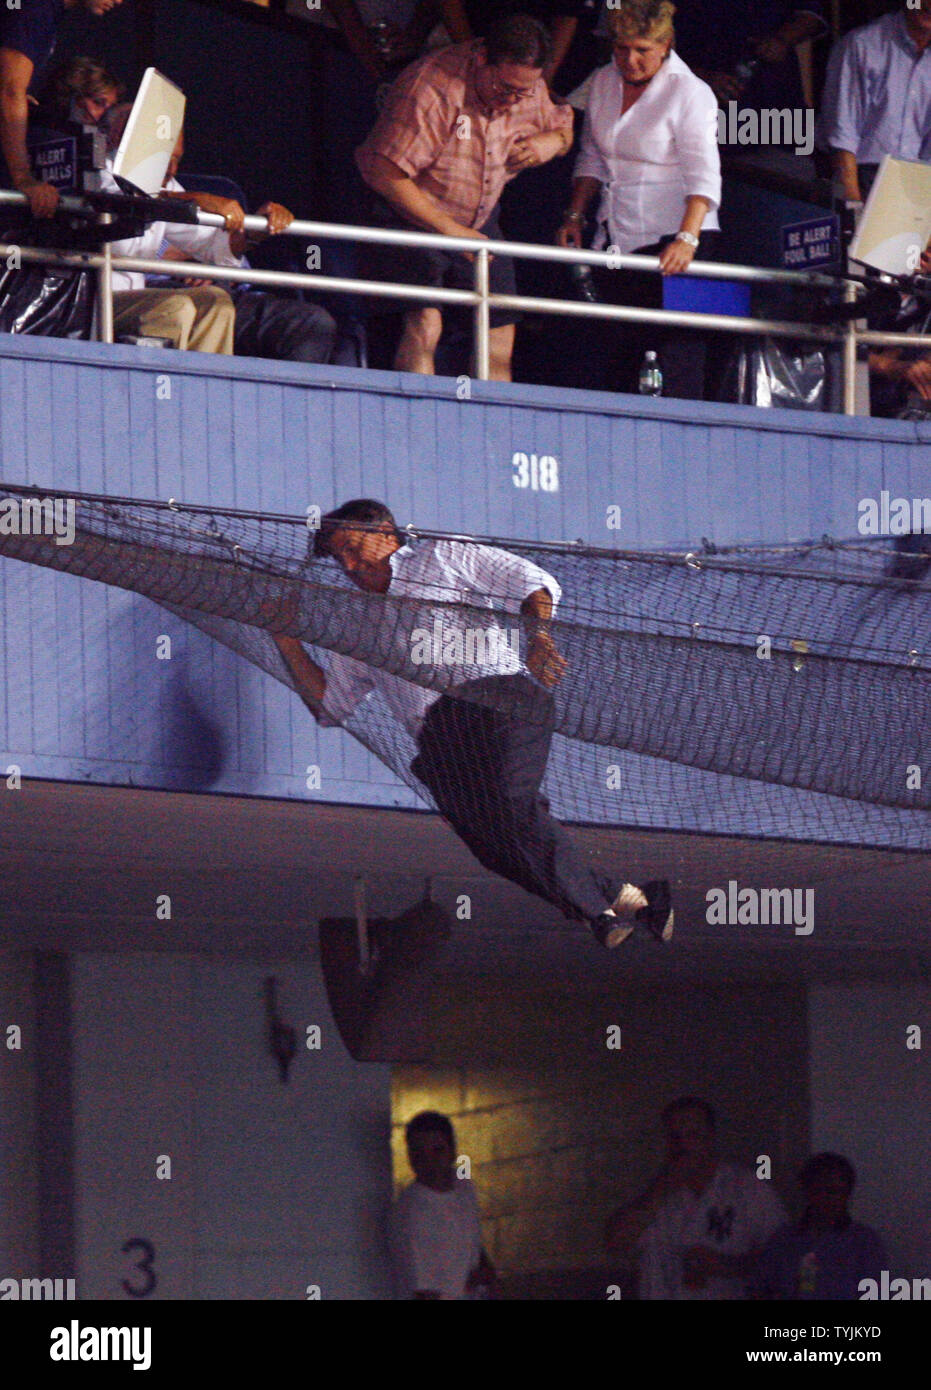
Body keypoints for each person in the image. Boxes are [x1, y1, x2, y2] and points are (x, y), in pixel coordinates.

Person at [270, 497, 674, 950]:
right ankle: (629, 898)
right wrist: (286, 640)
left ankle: (597, 914)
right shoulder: (357, 624)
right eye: (336, 558)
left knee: (509, 802)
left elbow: (532, 582)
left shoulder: (441, 556)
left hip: (497, 702)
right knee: (492, 847)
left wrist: (539, 638)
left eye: (351, 547)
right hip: (439, 743)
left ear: (385, 532)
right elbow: (329, 706)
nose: (347, 565)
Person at [355, 13, 574, 379]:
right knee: (426, 323)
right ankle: (418, 413)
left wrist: (551, 141)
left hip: (480, 219)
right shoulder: (431, 89)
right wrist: (451, 231)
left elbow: (564, 125)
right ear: (482, 58)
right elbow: (382, 171)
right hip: (413, 215)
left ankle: (489, 416)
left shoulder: (527, 85)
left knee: (499, 333)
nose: (513, 100)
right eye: (506, 88)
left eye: (523, 92)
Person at [556, 0, 722, 400]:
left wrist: (687, 240)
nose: (629, 60)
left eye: (642, 50)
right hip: (617, 235)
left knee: (678, 359)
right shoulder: (602, 81)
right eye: (621, 49)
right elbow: (591, 155)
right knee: (620, 355)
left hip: (681, 237)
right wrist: (575, 215)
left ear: (665, 45)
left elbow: (703, 174)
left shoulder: (691, 92)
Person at [101, 107, 335, 362]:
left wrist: (253, 232)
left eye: (177, 159)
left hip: (136, 298)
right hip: (95, 300)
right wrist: (193, 200)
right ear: (125, 138)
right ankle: (157, 385)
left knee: (216, 301)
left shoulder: (163, 184)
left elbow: (211, 246)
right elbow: (121, 219)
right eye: (165, 156)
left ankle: (202, 385)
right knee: (176, 307)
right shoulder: (100, 170)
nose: (172, 169)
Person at [605, 1097, 785, 1299]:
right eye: (675, 1137)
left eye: (693, 1135)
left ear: (711, 1137)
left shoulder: (748, 1188)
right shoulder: (655, 1191)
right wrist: (660, 1189)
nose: (683, 1145)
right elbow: (616, 1244)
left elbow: (782, 1256)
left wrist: (727, 1265)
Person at [0, 0, 125, 219]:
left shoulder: (44, 11)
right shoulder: (33, 7)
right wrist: (24, 178)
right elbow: (10, 91)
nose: (119, 1)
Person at [818, 0, 931, 205]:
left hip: (915, 180)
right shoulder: (862, 45)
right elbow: (842, 134)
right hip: (861, 175)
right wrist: (853, 205)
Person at [390, 1110, 495, 1300]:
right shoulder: (411, 1214)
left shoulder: (463, 1187)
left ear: (452, 1151)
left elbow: (472, 1241)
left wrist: (484, 1272)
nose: (429, 1161)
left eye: (437, 1150)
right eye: (419, 1153)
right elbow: (423, 1292)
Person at [753, 1152, 887, 1300]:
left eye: (834, 1191)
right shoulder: (783, 1240)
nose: (827, 1198)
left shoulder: (865, 1243)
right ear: (807, 1191)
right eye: (819, 1190)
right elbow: (759, 1289)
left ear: (847, 1194)